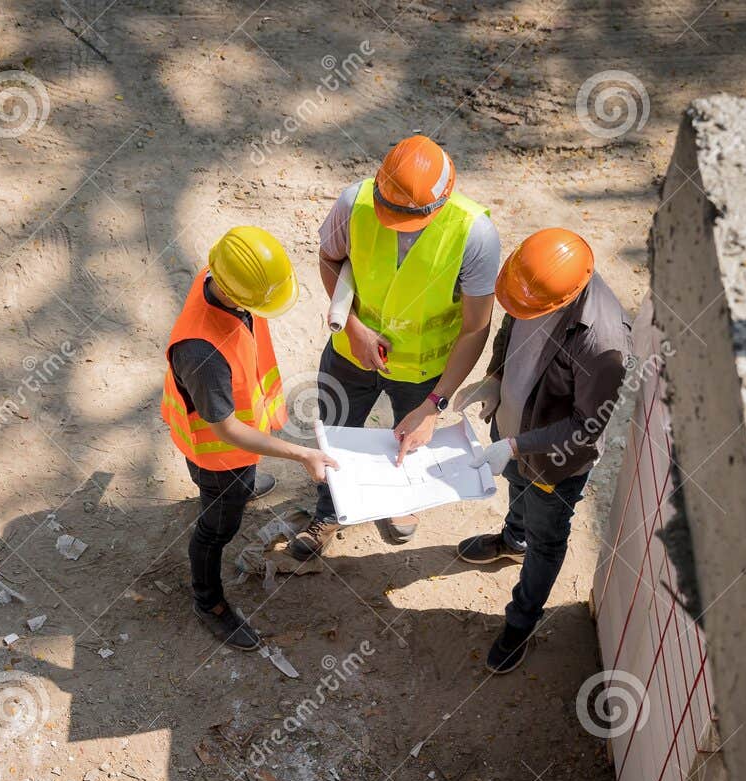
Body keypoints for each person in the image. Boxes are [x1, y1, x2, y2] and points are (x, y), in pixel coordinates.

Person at [290, 134, 499, 560]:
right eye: (388, 211)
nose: (392, 223)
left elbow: (476, 328)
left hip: (423, 371)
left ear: (440, 203)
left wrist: (434, 406)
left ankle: (395, 501)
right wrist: (353, 328)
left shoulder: (475, 234)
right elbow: (329, 259)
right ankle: (330, 510)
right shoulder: (354, 203)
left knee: (409, 441)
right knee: (336, 433)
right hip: (351, 353)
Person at [454, 228, 631, 673]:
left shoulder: (603, 343)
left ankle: (522, 620)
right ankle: (513, 539)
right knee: (517, 489)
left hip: (555, 462)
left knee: (547, 540)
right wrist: (495, 379)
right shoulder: (529, 287)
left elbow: (587, 426)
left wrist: (516, 444)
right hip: (515, 436)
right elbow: (510, 326)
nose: (518, 309)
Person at [162, 226, 338, 651]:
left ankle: (237, 487)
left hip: (230, 442)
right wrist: (302, 455)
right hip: (221, 455)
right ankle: (208, 602)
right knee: (216, 529)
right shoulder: (201, 352)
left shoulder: (220, 274)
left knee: (236, 485)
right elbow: (226, 429)